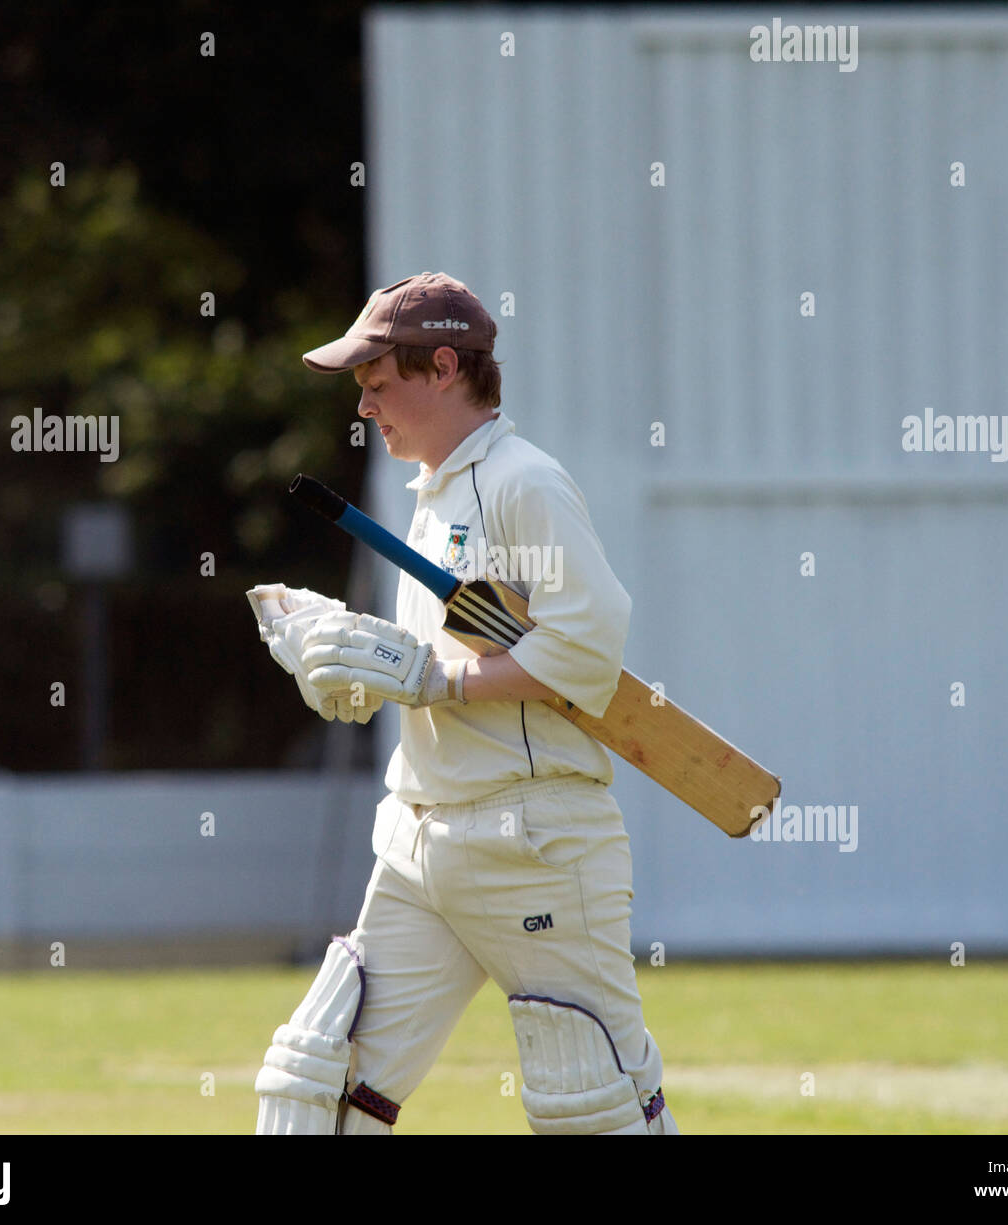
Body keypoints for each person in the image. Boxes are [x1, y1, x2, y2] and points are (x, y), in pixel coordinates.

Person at [249, 272, 677, 1135]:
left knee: (591, 1103)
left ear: (444, 366)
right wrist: (350, 656)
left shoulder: (524, 483)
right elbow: (436, 661)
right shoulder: (432, 494)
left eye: (378, 387)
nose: (366, 409)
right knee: (315, 1085)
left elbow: (586, 649)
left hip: (534, 843)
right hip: (421, 841)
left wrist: (436, 681)